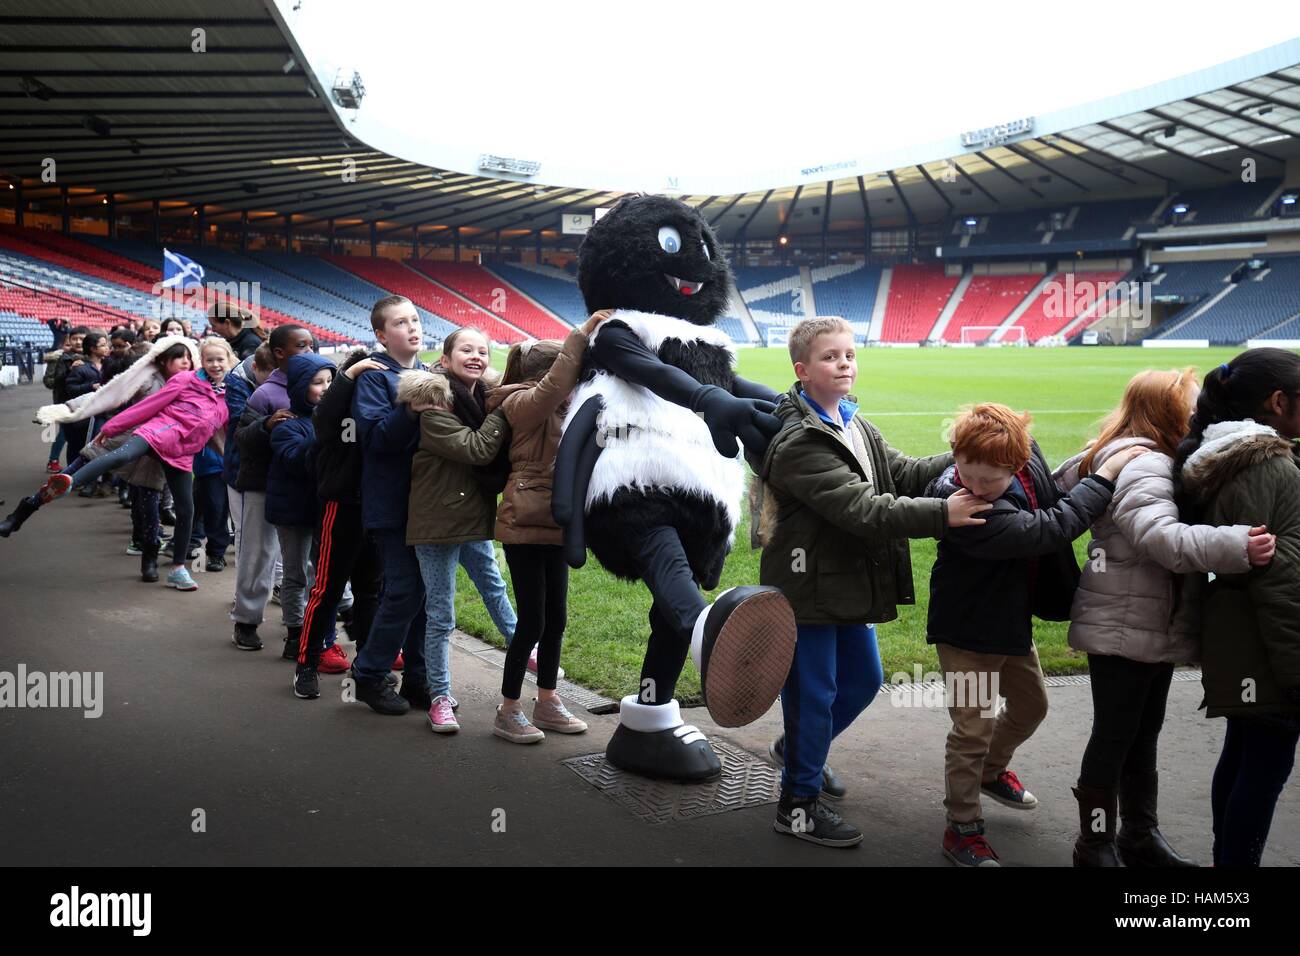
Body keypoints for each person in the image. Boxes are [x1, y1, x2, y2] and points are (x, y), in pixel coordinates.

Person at [755, 316, 987, 847]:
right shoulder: (800, 442)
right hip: (808, 589)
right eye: (831, 357)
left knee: (861, 681)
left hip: (843, 586)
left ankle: (798, 754)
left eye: (850, 355)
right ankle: (798, 805)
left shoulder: (852, 421)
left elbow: (899, 473)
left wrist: (964, 455)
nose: (844, 364)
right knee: (814, 696)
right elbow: (863, 509)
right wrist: (942, 514)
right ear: (802, 370)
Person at [1056, 368, 1273, 867]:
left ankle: (1137, 835)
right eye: (1192, 407)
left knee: (1139, 734)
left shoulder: (1131, 453)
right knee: (1114, 738)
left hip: (1143, 623)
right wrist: (1236, 543)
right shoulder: (1146, 465)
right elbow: (1162, 540)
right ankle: (1094, 843)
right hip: (1124, 625)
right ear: (1168, 412)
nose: (1200, 415)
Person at [924, 403, 1146, 867]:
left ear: (1018, 461)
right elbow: (1055, 526)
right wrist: (1104, 475)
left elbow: (1051, 487)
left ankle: (990, 771)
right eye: (968, 474)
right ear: (954, 454)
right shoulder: (972, 511)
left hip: (1007, 623)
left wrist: (1095, 455)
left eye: (990, 480)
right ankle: (962, 827)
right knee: (972, 729)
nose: (976, 490)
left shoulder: (1027, 459)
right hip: (967, 633)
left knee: (1032, 706)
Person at [1171, 349, 1300, 867]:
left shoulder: (1222, 453)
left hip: (1235, 637)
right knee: (1264, 771)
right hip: (1267, 646)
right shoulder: (1271, 469)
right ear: (1278, 401)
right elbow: (1283, 586)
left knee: (1243, 754)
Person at [0, 348, 228, 592]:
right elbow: (108, 393)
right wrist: (67, 410)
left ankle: (151, 561)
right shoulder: (144, 378)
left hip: (164, 455)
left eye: (189, 358)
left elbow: (214, 429)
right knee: (80, 469)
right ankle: (23, 512)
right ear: (163, 358)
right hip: (125, 437)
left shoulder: (208, 389)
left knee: (150, 508)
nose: (187, 362)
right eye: (179, 357)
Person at [485, 315, 606, 742]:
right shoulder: (520, 402)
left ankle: (548, 700)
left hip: (557, 519)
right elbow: (554, 386)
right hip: (524, 520)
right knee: (532, 621)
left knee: (556, 618)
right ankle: (508, 708)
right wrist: (583, 331)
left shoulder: (561, 408)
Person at [398, 326, 518, 734]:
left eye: (482, 350)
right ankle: (440, 698)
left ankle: (526, 651)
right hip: (437, 524)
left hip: (471, 517)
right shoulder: (433, 407)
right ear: (445, 360)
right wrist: (504, 410)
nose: (476, 355)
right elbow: (477, 449)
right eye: (466, 349)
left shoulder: (479, 398)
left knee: (493, 586)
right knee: (440, 615)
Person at [346, 295, 431, 715]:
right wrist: (411, 408)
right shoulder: (375, 379)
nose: (412, 328)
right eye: (400, 323)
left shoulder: (431, 373)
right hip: (392, 504)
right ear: (381, 335)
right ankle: (370, 673)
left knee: (428, 593)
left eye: (415, 319)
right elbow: (376, 439)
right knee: (404, 590)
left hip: (431, 504)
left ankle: (418, 677)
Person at [291, 349, 387, 699]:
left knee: (369, 592)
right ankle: (306, 664)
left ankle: (367, 667)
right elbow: (325, 416)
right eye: (366, 380)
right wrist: (350, 375)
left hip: (376, 510)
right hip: (341, 507)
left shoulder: (382, 409)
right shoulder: (336, 414)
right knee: (327, 591)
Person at [229, 327, 314, 651]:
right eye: (300, 346)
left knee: (304, 559)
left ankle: (303, 623)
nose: (307, 351)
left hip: (303, 489)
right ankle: (246, 620)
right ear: (279, 353)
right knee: (258, 554)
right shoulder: (264, 394)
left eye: (311, 345)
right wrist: (265, 426)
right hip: (262, 486)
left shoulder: (320, 387)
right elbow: (241, 439)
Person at [265, 352, 336, 675]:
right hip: (292, 511)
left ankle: (322, 631)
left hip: (321, 510)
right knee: (294, 575)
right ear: (298, 387)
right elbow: (296, 462)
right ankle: (295, 634)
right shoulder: (286, 424)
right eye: (317, 383)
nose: (325, 388)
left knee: (321, 576)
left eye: (329, 382)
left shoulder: (331, 419)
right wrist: (322, 435)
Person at [187, 338, 237, 571]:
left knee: (236, 509)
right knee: (215, 507)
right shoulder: (194, 386)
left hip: (237, 458)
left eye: (220, 359)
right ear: (201, 361)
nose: (215, 364)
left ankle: (238, 547)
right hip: (209, 460)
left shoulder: (238, 385)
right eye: (210, 360)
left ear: (229, 359)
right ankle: (216, 552)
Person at [41, 325, 89, 472]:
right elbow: (50, 382)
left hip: (86, 401)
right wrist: (70, 371)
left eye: (82, 339)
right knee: (65, 432)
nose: (78, 342)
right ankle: (54, 460)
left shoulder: (92, 357)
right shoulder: (60, 359)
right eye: (74, 339)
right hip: (64, 401)